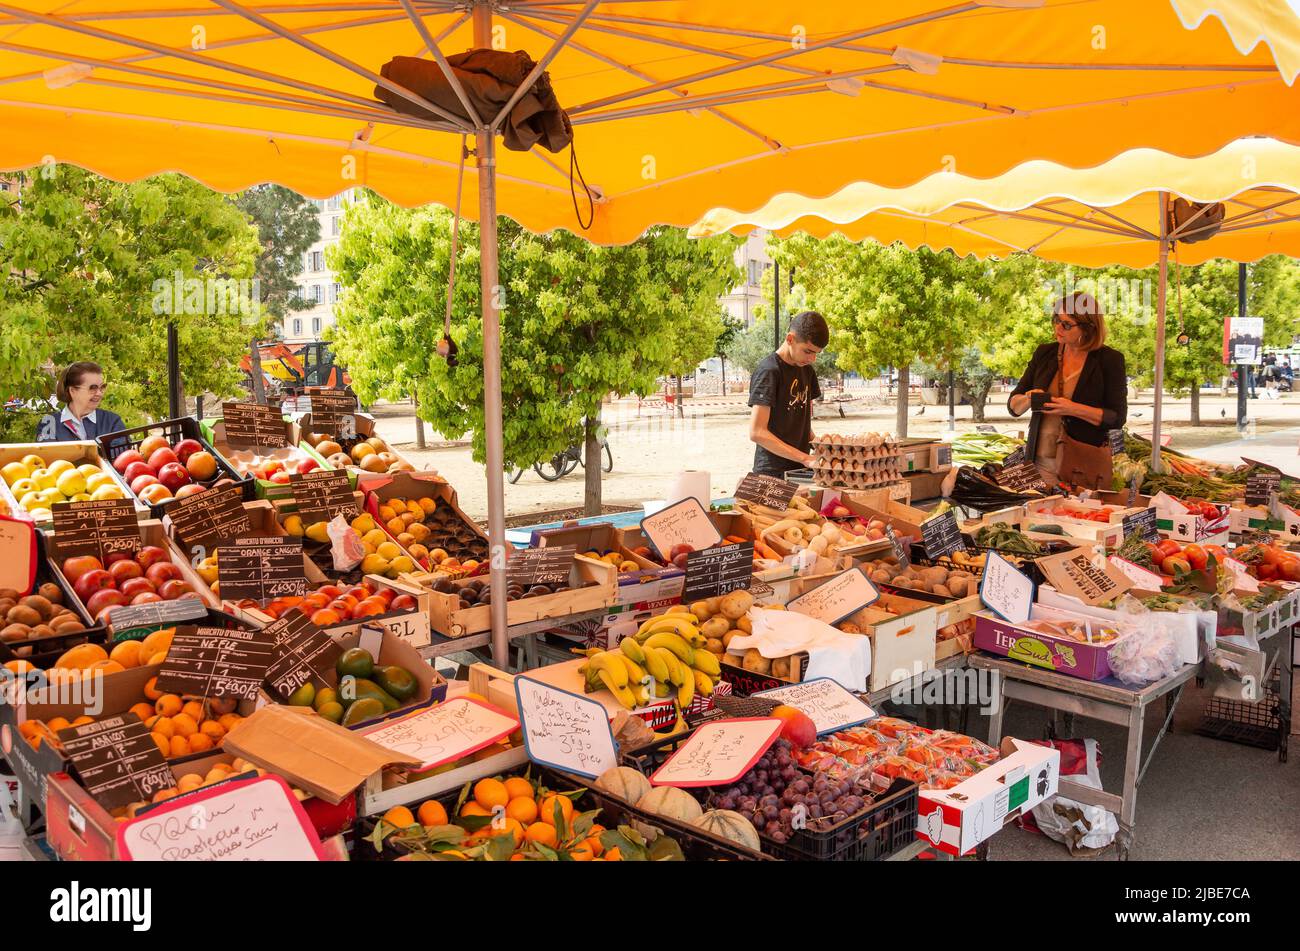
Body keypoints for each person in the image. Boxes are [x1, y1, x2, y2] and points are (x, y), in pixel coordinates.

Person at [1008, 292, 1127, 487]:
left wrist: (1072, 409)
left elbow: (1116, 417)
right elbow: (1013, 406)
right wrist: (1028, 399)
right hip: (1040, 463)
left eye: (1066, 324)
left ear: (1088, 328)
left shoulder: (1109, 360)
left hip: (1081, 465)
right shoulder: (1045, 353)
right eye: (1056, 320)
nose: (1058, 328)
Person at [748, 310, 829, 477]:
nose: (812, 358)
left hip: (801, 470)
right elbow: (757, 432)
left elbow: (799, 424)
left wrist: (821, 447)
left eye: (816, 353)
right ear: (790, 339)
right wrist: (805, 458)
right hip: (772, 474)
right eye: (808, 351)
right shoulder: (769, 371)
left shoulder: (807, 371)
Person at [35, 362, 125, 443]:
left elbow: (121, 457)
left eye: (102, 387)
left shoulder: (112, 421)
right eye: (93, 388)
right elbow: (48, 456)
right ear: (73, 391)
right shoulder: (49, 423)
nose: (99, 393)